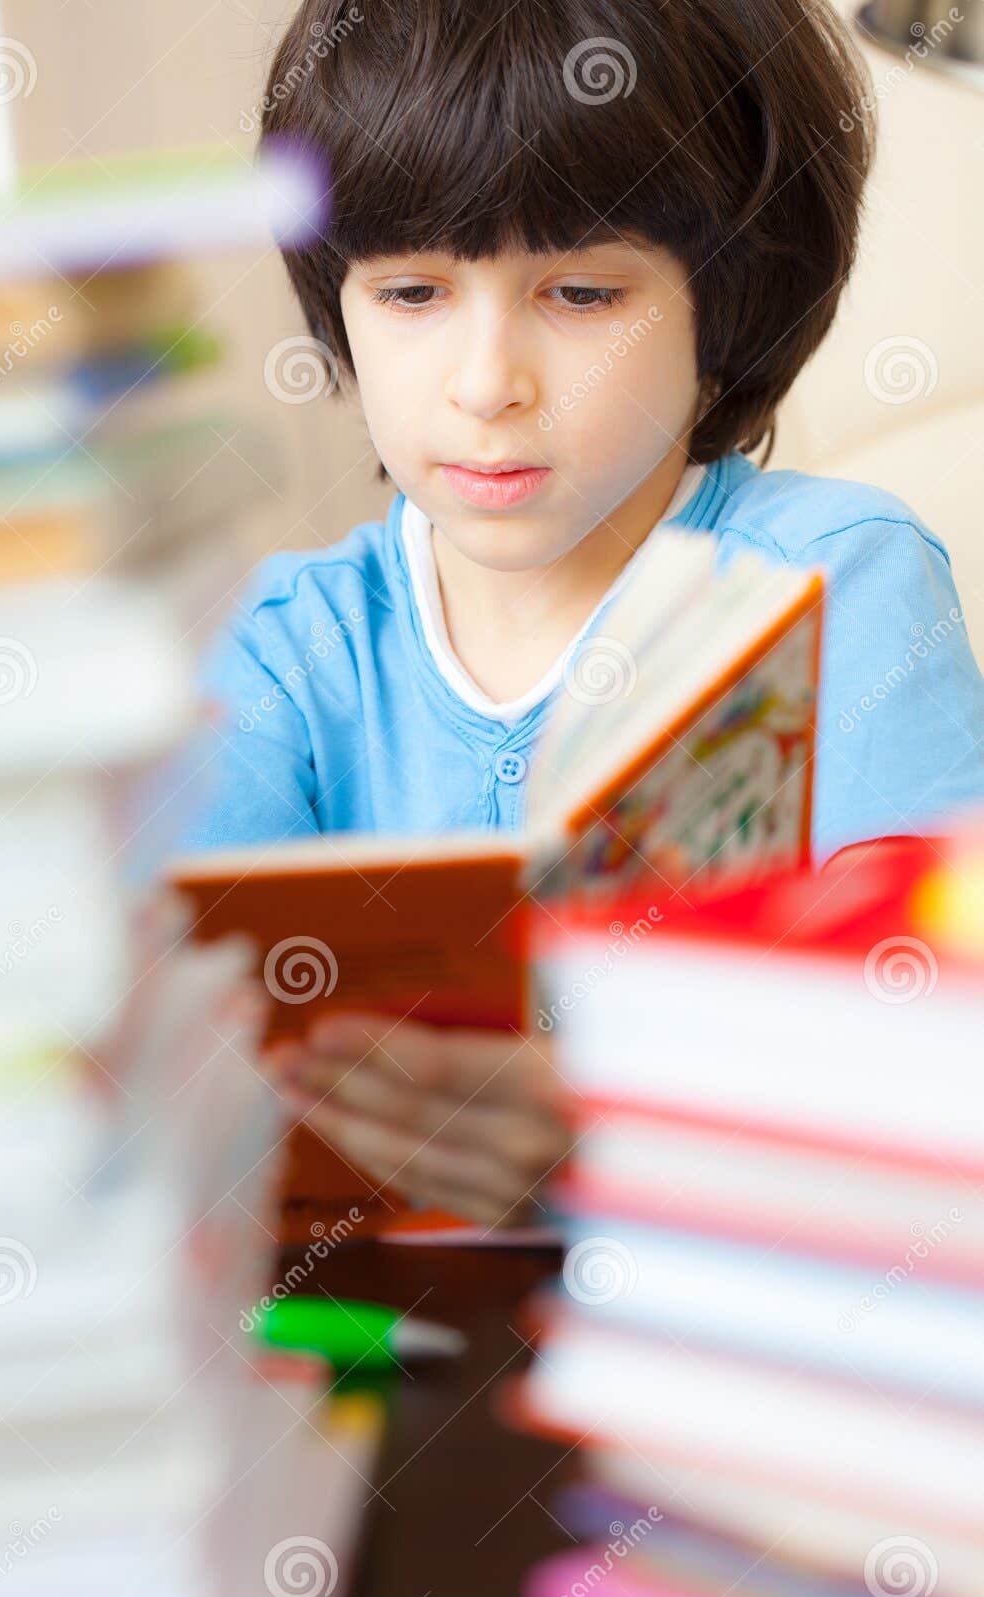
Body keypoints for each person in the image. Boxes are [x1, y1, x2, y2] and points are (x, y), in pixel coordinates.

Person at [183, 0, 984, 1227]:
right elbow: (191, 1041)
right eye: (409, 293)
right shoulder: (286, 648)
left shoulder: (834, 579)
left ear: (722, 308)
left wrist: (613, 1129)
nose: (486, 383)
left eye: (579, 294)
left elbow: (935, 1018)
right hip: (391, 1350)